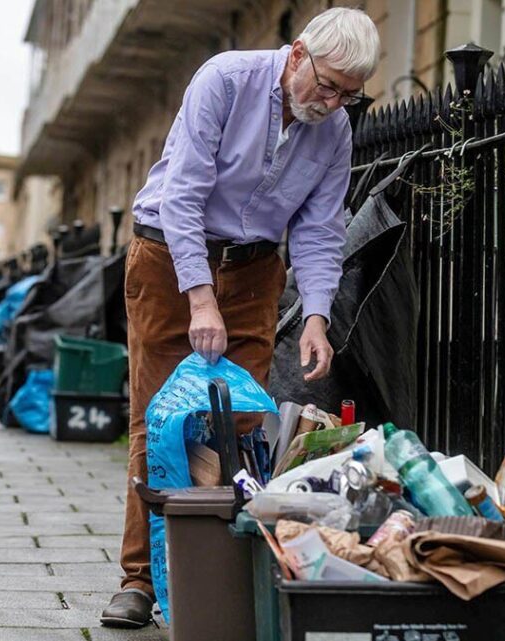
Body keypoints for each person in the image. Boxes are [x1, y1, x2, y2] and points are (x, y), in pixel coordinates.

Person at [101, 7, 380, 628]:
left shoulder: (334, 131)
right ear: (299, 52)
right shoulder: (224, 80)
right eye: (328, 84)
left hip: (255, 273)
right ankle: (139, 582)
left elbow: (319, 230)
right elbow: (185, 192)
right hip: (170, 255)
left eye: (348, 95)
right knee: (160, 420)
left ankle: (218, 571)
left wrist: (315, 316)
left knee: (240, 425)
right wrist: (199, 296)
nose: (332, 103)